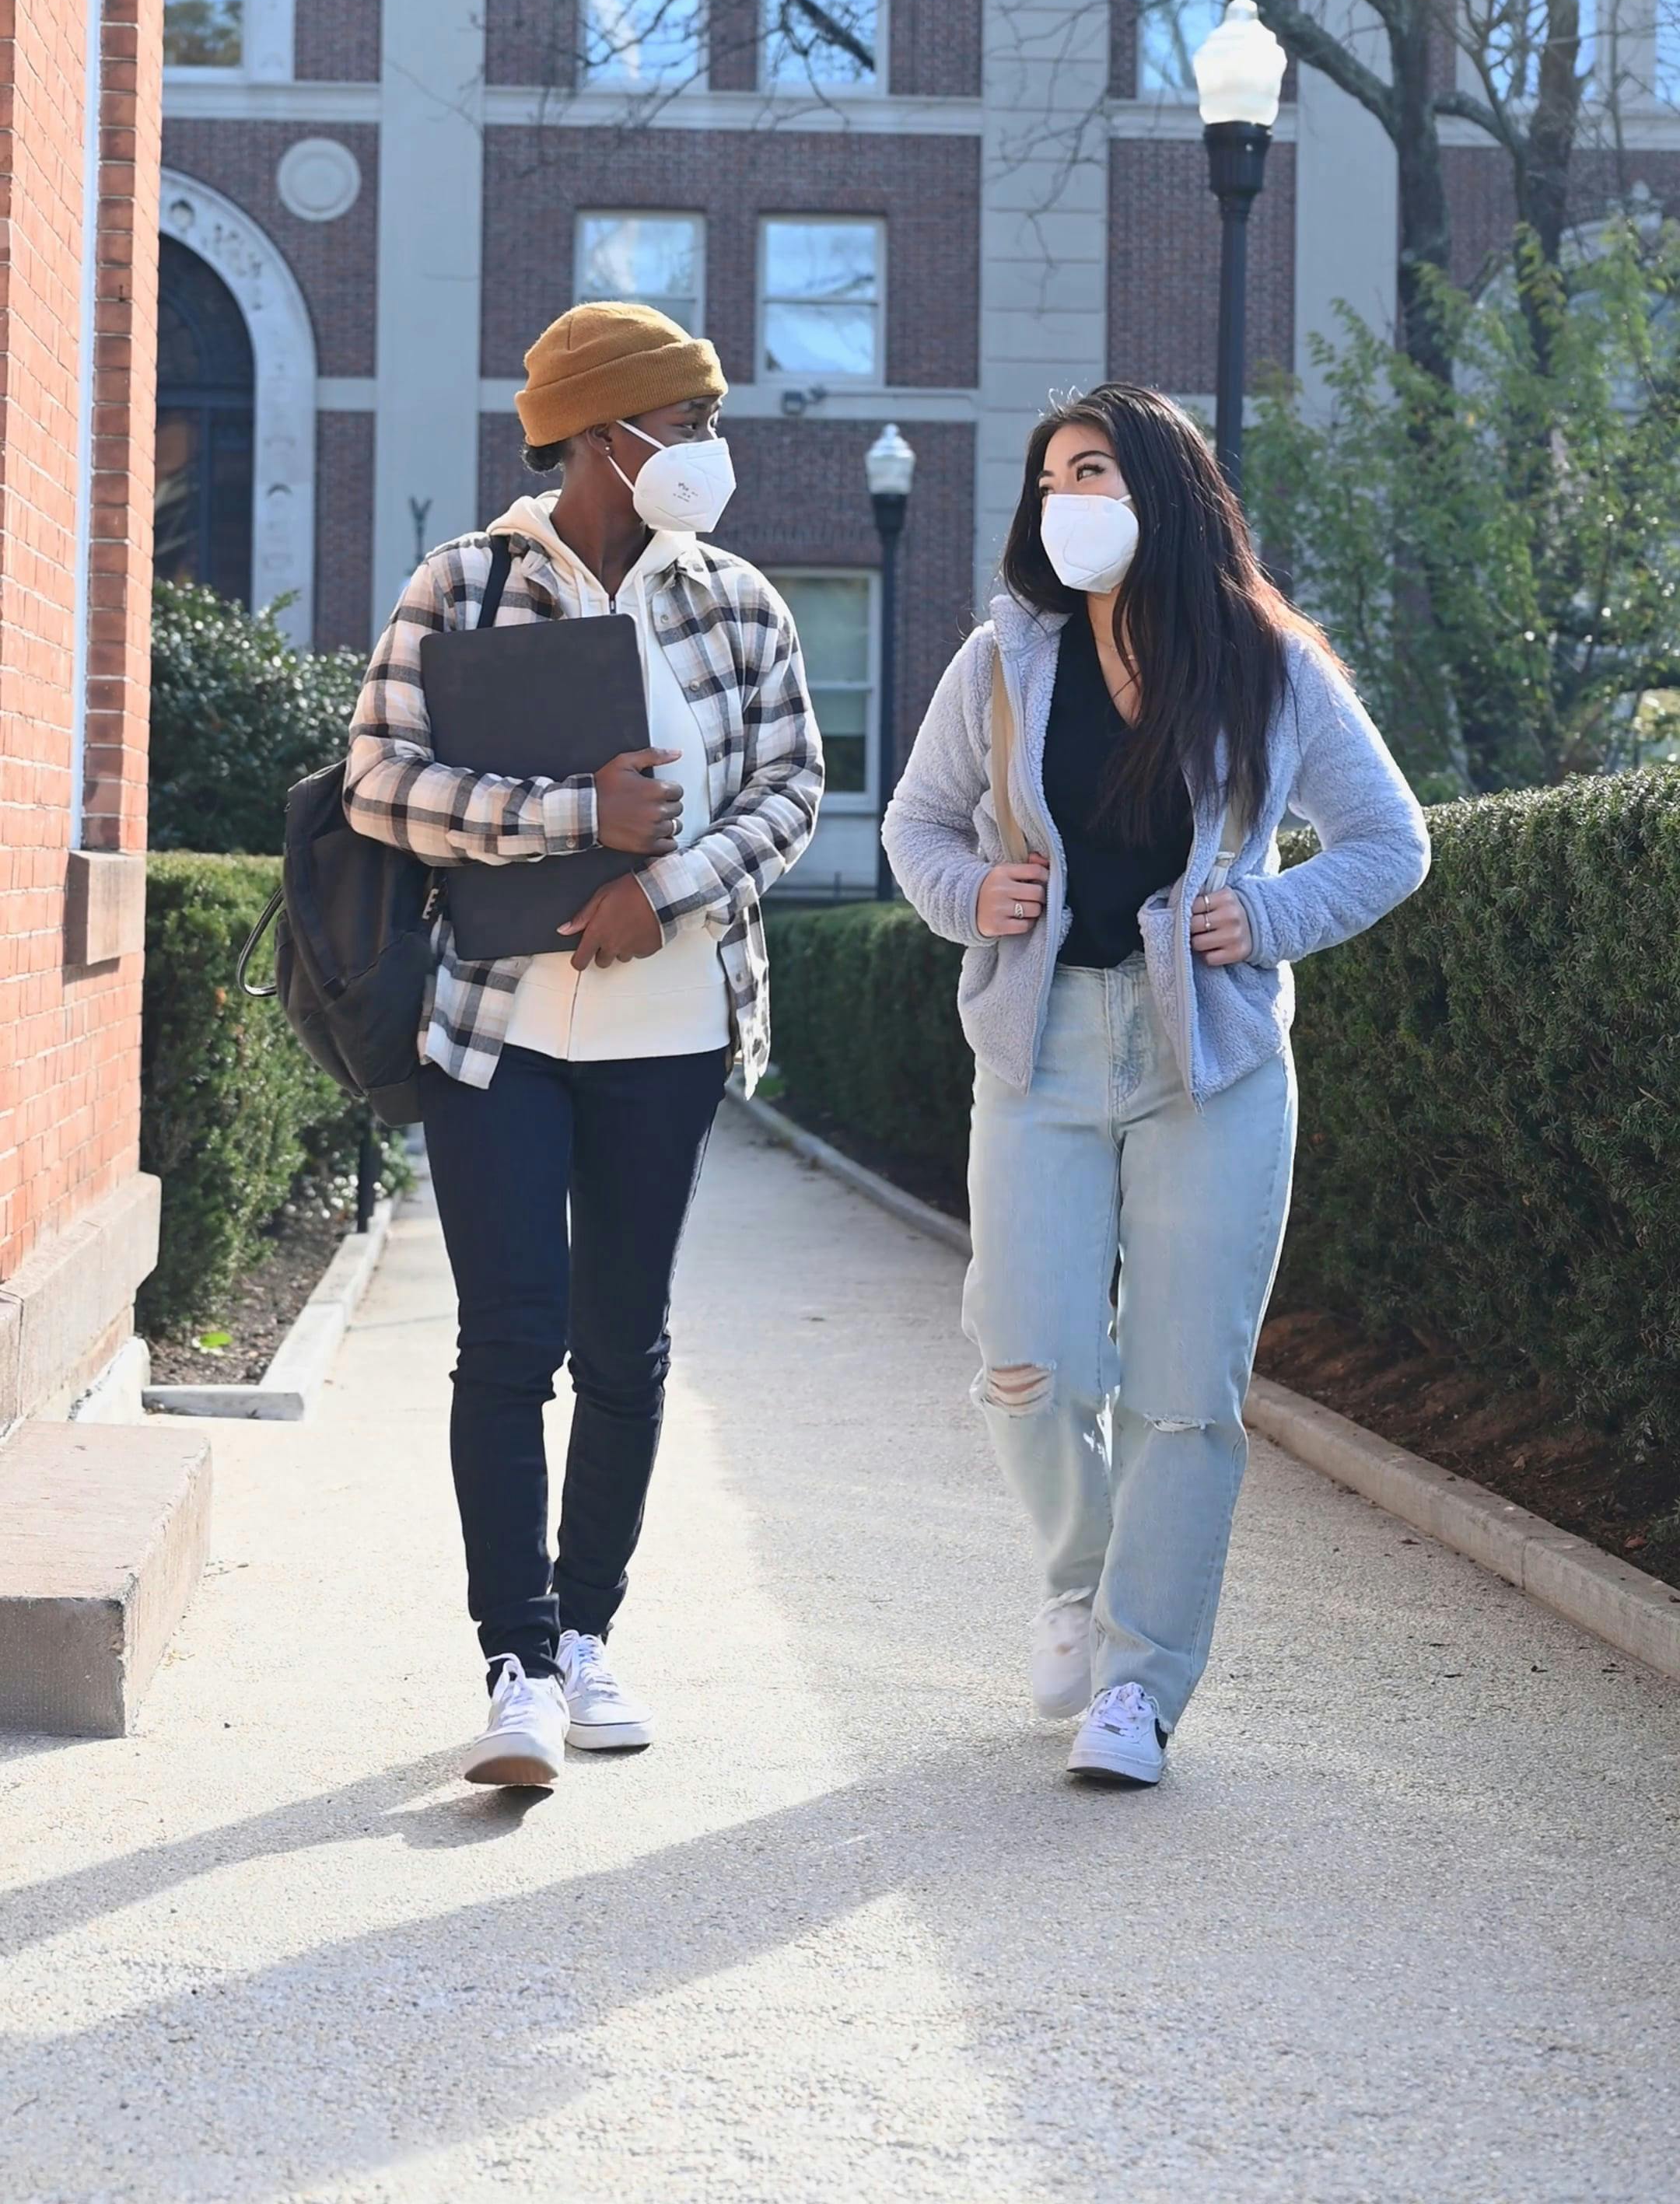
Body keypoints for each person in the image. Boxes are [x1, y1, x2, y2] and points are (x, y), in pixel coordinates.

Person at [882, 384, 1428, 1789]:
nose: (1065, 500)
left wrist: (1270, 914)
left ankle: (1139, 1687)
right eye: (1051, 478)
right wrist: (971, 893)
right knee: (1028, 1356)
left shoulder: (1269, 664)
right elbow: (917, 823)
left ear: (1164, 494)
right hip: (1042, 1051)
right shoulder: (1003, 661)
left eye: (1094, 472)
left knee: (1187, 1394)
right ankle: (1078, 1582)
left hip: (1215, 1067)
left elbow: (1389, 840)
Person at [345, 301, 821, 1787]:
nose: (709, 450)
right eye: (688, 423)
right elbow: (376, 780)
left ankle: (589, 1633)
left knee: (624, 1342)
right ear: (604, 436)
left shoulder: (740, 600)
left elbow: (793, 792)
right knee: (510, 1339)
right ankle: (518, 1663)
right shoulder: (463, 584)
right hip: (493, 1029)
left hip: (670, 1027)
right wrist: (571, 821)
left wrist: (656, 889)